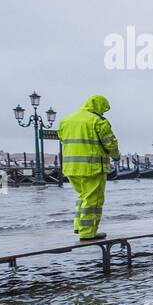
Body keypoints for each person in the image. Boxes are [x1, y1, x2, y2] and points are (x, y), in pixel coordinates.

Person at [57, 94, 119, 240]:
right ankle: (88, 232)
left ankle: (79, 227)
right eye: (104, 108)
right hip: (92, 167)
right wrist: (116, 155)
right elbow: (110, 142)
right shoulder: (98, 121)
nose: (104, 112)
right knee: (93, 201)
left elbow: (62, 138)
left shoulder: (67, 120)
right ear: (99, 106)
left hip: (71, 167)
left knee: (83, 197)